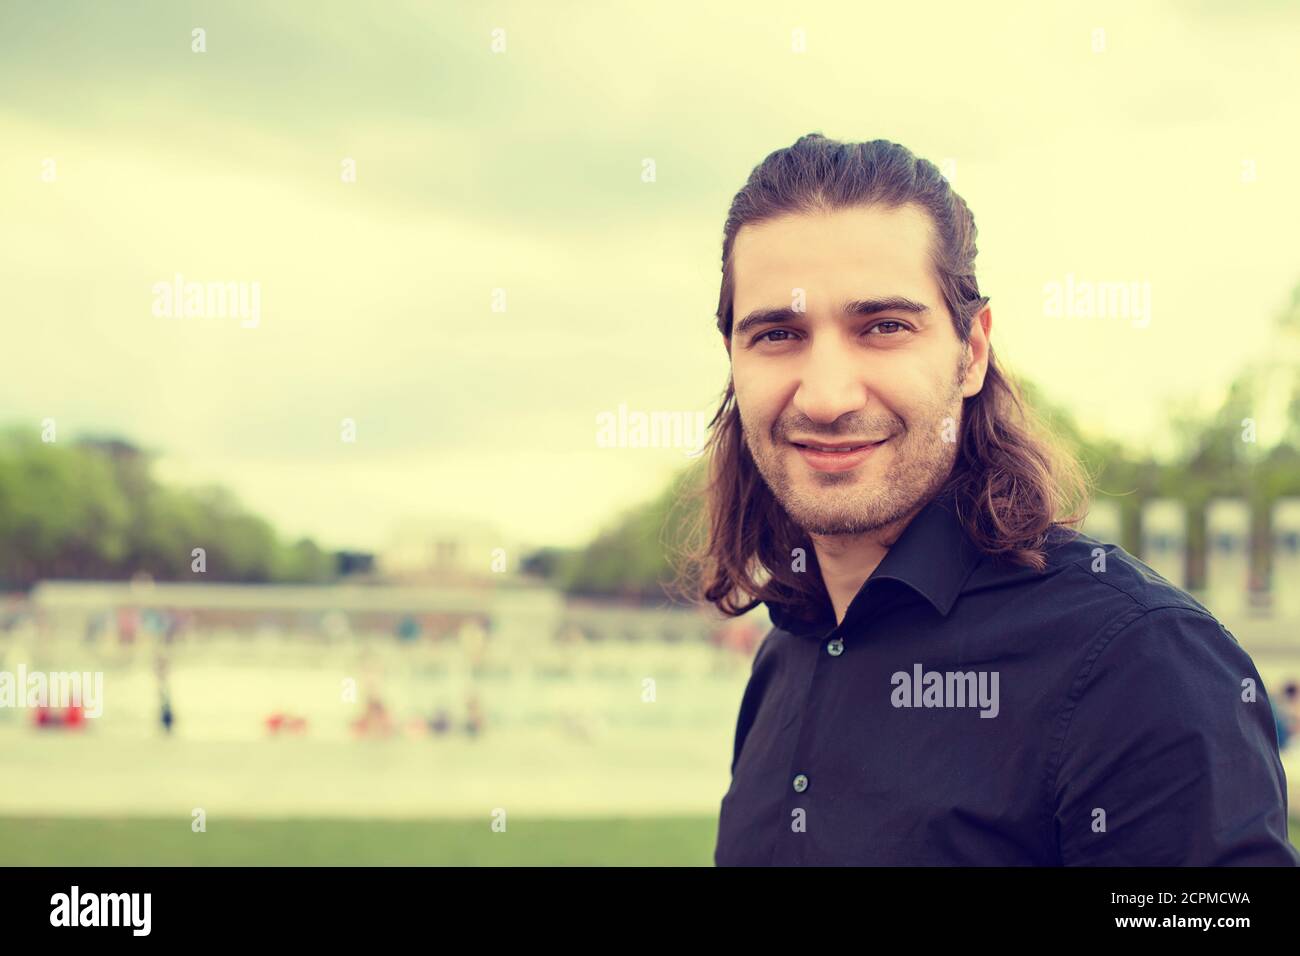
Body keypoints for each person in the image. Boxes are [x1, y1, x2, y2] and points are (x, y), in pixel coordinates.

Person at [693, 134, 1298, 866]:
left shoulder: (1141, 666)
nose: (826, 396)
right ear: (733, 359)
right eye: (778, 334)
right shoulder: (784, 656)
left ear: (972, 351)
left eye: (883, 327)